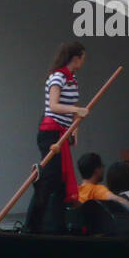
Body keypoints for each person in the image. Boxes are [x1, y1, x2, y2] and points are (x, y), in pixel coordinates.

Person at [23, 41, 88, 234]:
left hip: (63, 132)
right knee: (50, 178)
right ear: (76, 58)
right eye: (83, 57)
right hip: (50, 132)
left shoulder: (72, 79)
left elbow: (74, 114)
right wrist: (77, 110)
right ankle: (32, 226)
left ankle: (55, 226)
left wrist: (75, 131)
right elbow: (53, 106)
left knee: (61, 179)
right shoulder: (57, 77)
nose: (84, 61)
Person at [77, 153, 129, 220]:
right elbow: (119, 200)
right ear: (96, 170)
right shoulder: (97, 189)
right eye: (102, 166)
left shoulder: (76, 190)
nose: (103, 168)